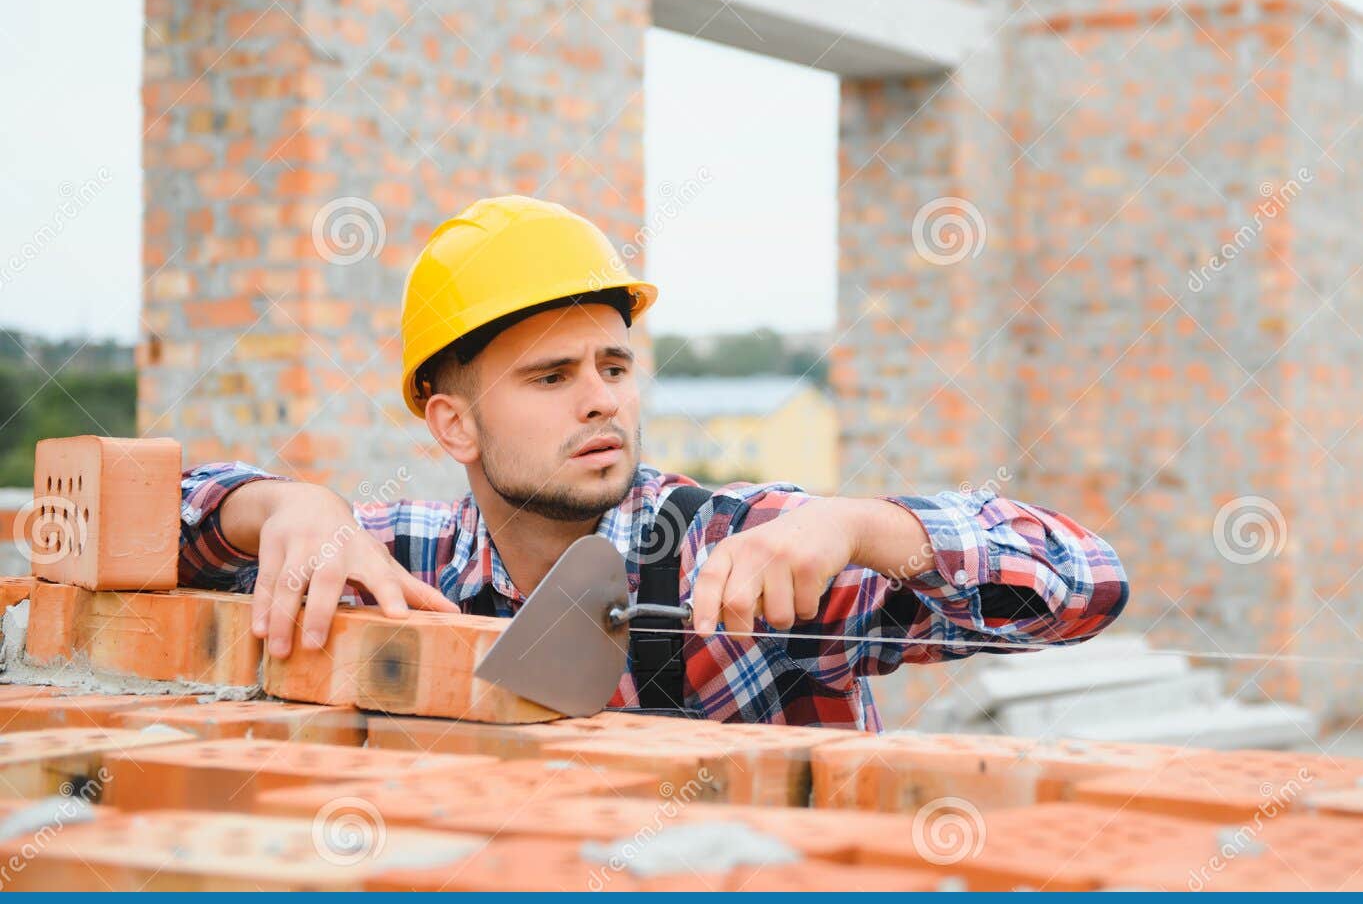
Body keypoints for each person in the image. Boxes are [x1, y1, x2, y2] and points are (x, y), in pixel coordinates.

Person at [178, 195, 1128, 728]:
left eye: (616, 366)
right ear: (452, 426)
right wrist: (279, 509)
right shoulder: (396, 564)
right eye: (550, 377)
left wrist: (862, 527)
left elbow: (1087, 589)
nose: (602, 399)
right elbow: (124, 540)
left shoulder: (737, 554)